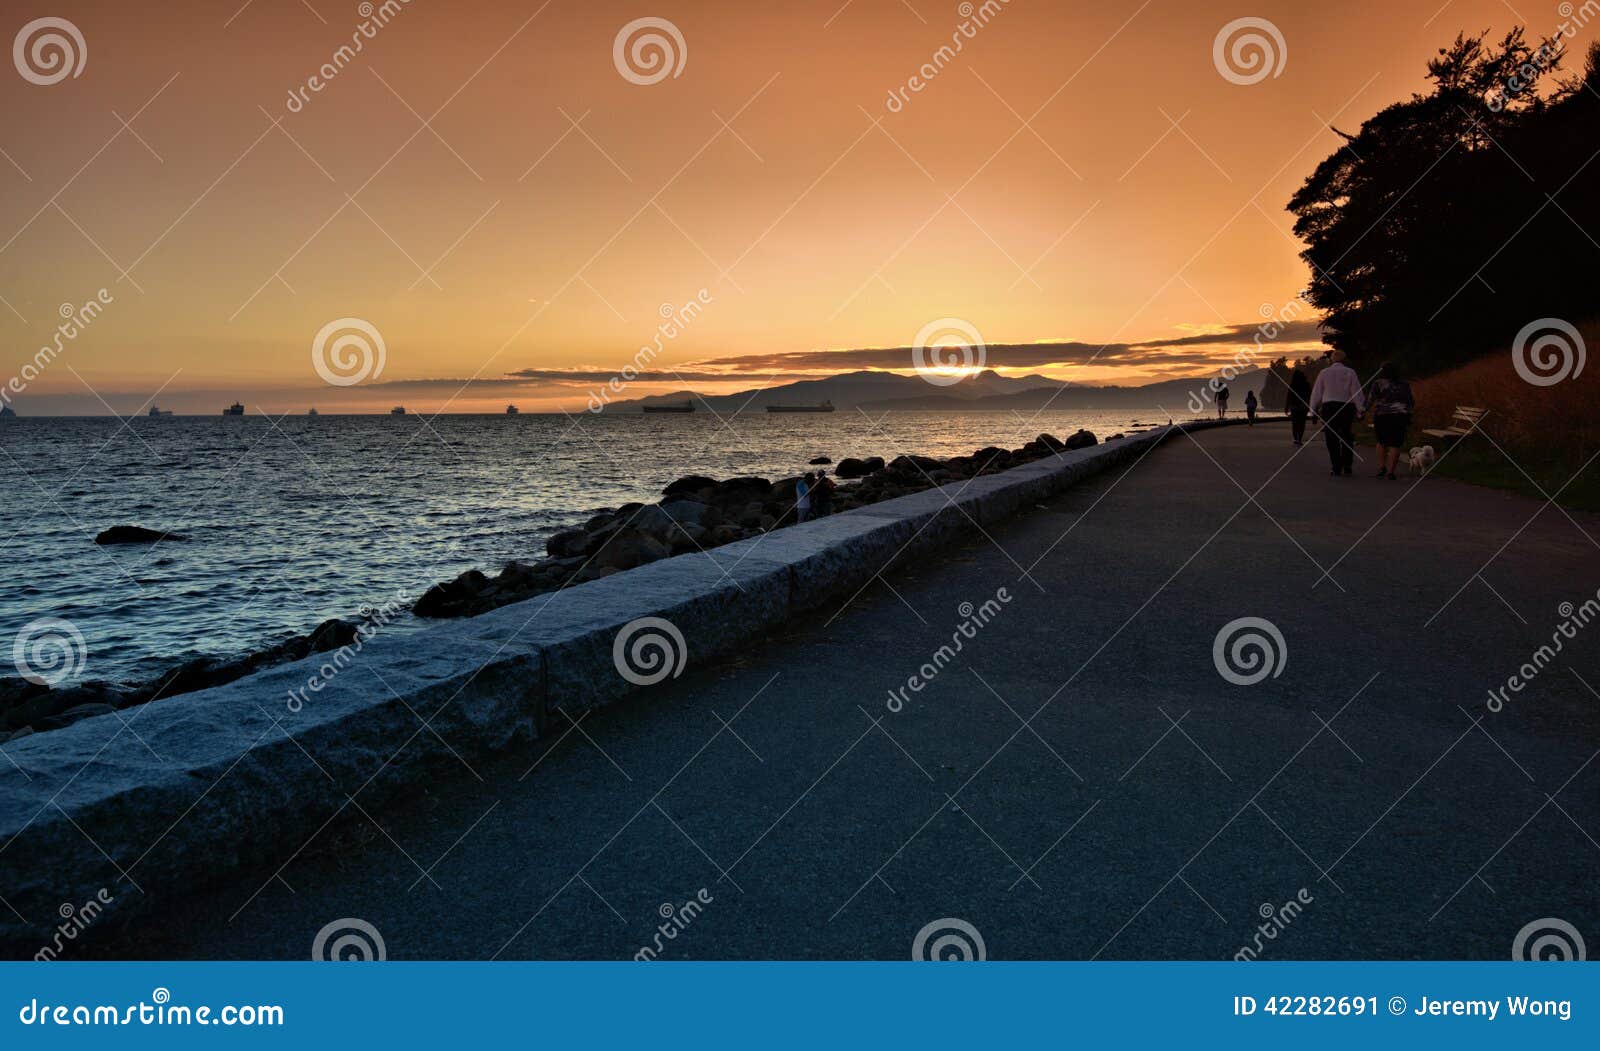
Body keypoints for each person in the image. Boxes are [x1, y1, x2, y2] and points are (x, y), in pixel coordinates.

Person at [1308, 349, 1364, 476]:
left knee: (1331, 437)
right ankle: (1347, 465)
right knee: (1346, 436)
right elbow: (1356, 392)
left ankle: (1336, 467)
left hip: (1329, 407)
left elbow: (1317, 393)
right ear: (1344, 360)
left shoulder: (1324, 373)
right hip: (1346, 407)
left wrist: (1313, 411)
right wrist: (1360, 410)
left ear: (1331, 360)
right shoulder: (1350, 372)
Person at [1365, 362, 1414, 480]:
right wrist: (1408, 413)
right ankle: (1391, 471)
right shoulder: (1405, 384)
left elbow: (1370, 400)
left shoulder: (1378, 383)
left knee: (1381, 441)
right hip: (1399, 416)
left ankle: (1382, 466)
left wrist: (1362, 411)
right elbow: (1410, 401)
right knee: (1396, 443)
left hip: (1382, 416)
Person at [1286, 365, 1312, 445]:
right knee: (1302, 423)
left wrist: (1286, 407)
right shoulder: (1307, 384)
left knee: (1295, 423)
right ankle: (1300, 439)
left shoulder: (1292, 385)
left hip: (1294, 407)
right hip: (1303, 407)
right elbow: (1310, 396)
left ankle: (1295, 438)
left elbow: (1289, 397)